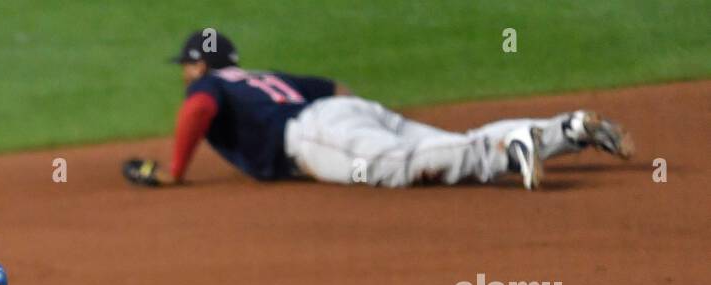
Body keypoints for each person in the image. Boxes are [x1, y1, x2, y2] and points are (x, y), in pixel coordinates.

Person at [123, 29, 633, 191]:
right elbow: (338, 87)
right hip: (354, 113)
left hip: (310, 134)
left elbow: (199, 110)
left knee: (402, 167)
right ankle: (566, 129)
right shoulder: (256, 77)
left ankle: (508, 149)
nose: (185, 75)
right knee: (442, 144)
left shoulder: (208, 86)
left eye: (186, 67)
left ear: (197, 65)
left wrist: (175, 172)